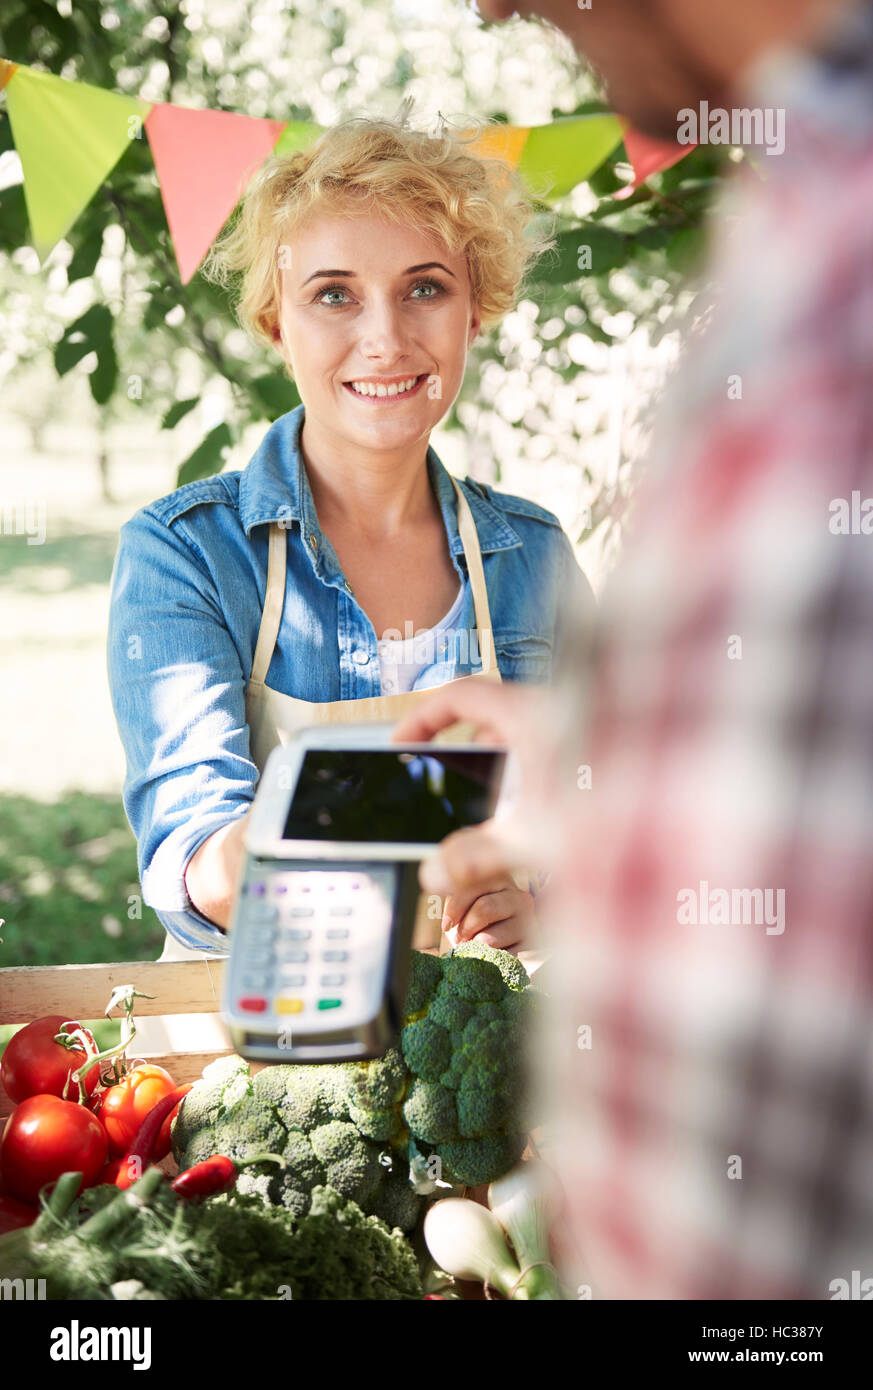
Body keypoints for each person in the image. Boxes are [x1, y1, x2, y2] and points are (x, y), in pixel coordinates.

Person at [395, 0, 873, 1297]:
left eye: (425, 289)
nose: (496, 5)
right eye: (332, 294)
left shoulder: (841, 263)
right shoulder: (805, 205)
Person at [106, 114, 593, 986]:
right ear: (273, 319)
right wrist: (430, 819)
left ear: (474, 312)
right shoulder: (186, 553)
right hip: (255, 1046)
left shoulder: (534, 556)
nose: (386, 338)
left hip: (473, 1054)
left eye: (425, 288)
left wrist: (540, 904)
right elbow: (196, 861)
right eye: (333, 293)